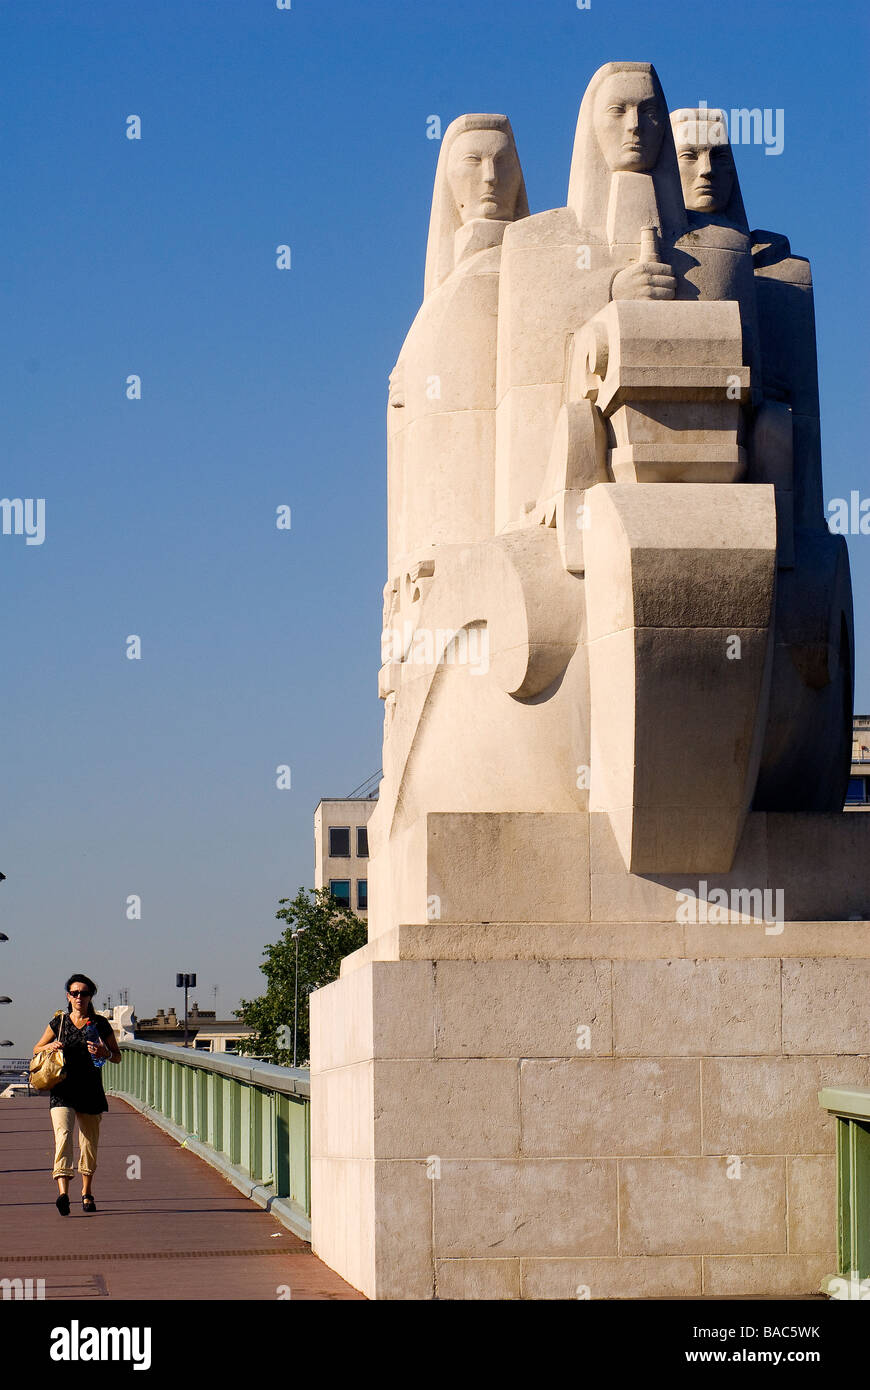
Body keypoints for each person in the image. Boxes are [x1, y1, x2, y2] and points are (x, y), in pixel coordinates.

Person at [32, 974, 121, 1215]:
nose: (78, 997)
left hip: (90, 1090)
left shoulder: (99, 1024)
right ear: (68, 996)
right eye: (74, 993)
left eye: (84, 993)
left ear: (91, 996)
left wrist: (104, 1052)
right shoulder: (59, 1023)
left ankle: (86, 1192)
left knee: (88, 1144)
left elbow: (117, 1056)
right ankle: (63, 1193)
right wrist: (50, 1046)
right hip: (62, 1090)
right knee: (63, 1137)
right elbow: (37, 1048)